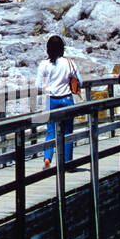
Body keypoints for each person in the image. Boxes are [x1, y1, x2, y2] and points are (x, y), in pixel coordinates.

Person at [36, 34, 78, 166]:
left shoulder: (44, 64)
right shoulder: (69, 63)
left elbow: (38, 85)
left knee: (50, 131)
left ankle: (47, 158)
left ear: (48, 49)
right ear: (62, 48)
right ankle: (67, 163)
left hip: (51, 100)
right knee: (67, 131)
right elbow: (79, 81)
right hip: (66, 99)